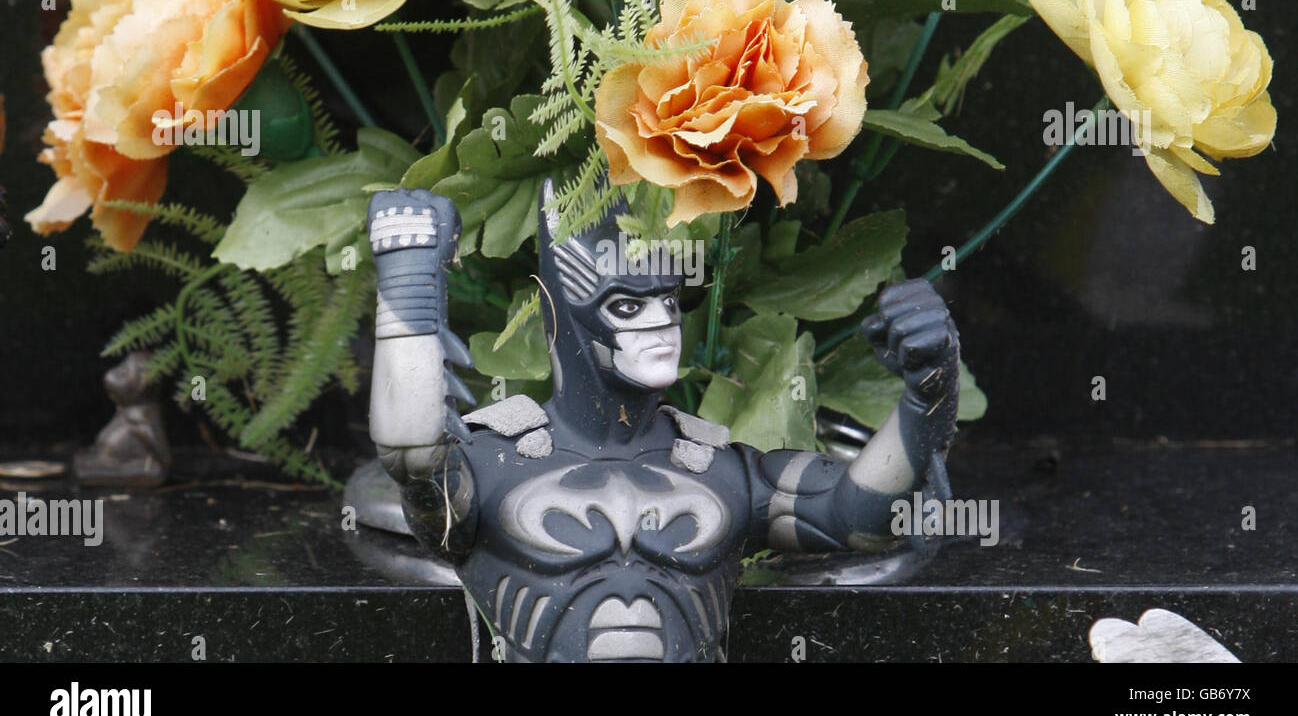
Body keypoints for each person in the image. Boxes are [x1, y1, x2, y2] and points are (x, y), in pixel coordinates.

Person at [367, 182, 960, 662]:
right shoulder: (494, 468)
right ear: (565, 317)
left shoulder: (724, 472)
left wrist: (928, 394)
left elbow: (858, 518)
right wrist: (409, 292)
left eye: (669, 302)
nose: (661, 323)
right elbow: (415, 454)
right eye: (626, 305)